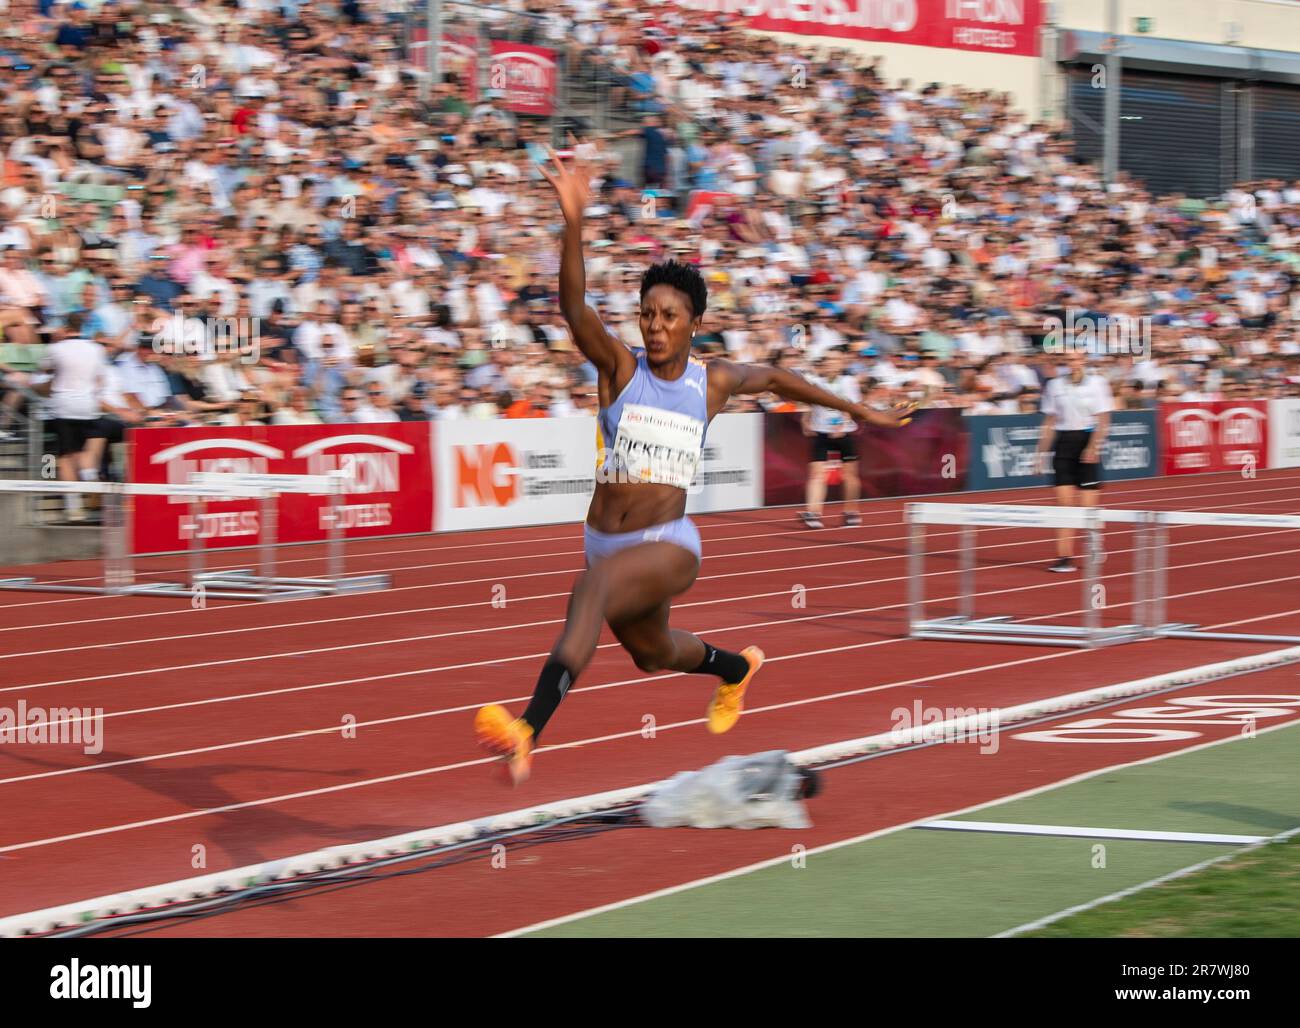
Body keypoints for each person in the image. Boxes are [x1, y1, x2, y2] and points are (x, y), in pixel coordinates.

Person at [474, 150, 914, 785]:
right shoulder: (619, 370)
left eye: (669, 317)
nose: (654, 327)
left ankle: (527, 729)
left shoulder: (713, 383)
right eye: (647, 315)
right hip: (604, 540)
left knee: (589, 594)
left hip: (668, 543)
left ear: (694, 325)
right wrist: (573, 219)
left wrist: (860, 411)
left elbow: (776, 377)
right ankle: (735, 670)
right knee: (652, 654)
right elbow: (574, 309)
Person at [1035, 348, 1114, 572]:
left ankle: (1093, 539)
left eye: (1077, 358)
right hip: (1063, 444)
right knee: (1064, 506)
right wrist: (1039, 454)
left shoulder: (1098, 383)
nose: (1073, 362)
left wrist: (1093, 446)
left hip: (1087, 440)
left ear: (1084, 360)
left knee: (1088, 507)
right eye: (1069, 359)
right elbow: (1049, 422)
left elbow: (1104, 420)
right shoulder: (1054, 385)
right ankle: (1064, 557)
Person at [799, 349, 863, 529]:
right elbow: (809, 403)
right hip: (821, 432)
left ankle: (851, 512)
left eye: (834, 360)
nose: (830, 363)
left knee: (849, 475)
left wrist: (843, 425)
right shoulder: (815, 382)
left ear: (842, 363)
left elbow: (853, 406)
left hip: (845, 434)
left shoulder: (849, 382)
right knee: (817, 474)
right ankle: (813, 513)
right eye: (827, 360)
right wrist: (805, 421)